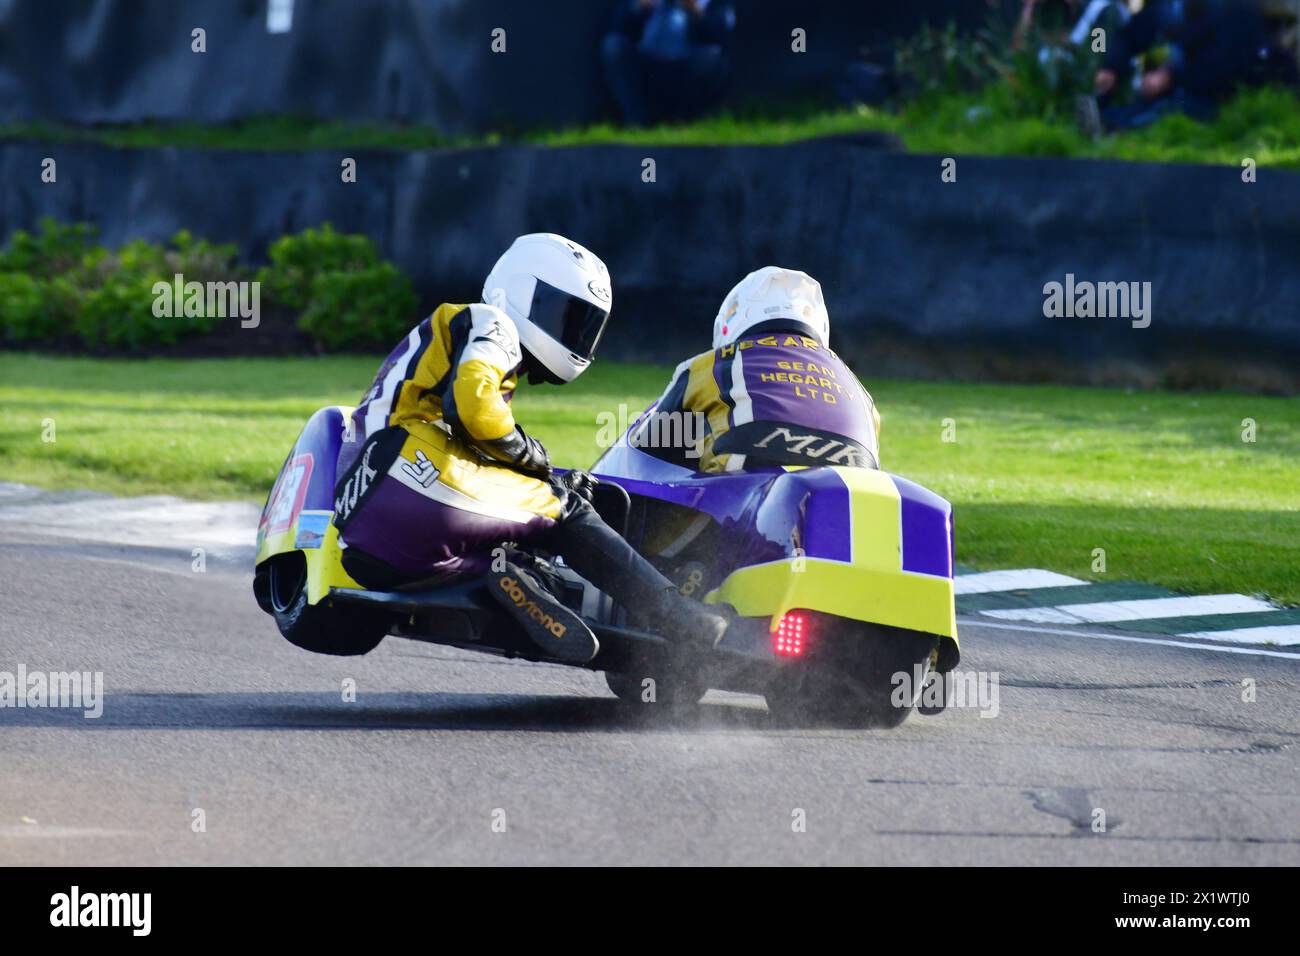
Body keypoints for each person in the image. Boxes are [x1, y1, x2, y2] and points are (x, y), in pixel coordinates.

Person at [332, 233, 728, 663]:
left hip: (368, 534)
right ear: (518, 290)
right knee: (567, 507)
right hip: (413, 472)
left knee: (507, 535)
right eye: (560, 313)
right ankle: (673, 613)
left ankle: (513, 575)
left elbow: (464, 438)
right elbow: (473, 410)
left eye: (581, 323)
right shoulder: (490, 321)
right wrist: (534, 458)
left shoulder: (436, 349)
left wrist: (535, 475)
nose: (571, 333)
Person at [637, 267, 880, 475]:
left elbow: (643, 457)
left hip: (742, 513)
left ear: (729, 323)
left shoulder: (710, 365)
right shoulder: (860, 391)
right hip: (849, 510)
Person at [1081, 0, 1268, 134]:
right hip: (1174, 91)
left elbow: (1229, 64)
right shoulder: (1168, 6)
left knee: (1149, 119)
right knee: (1125, 114)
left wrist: (1171, 76)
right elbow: (1131, 36)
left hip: (1213, 96)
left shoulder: (1235, 7)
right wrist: (1111, 67)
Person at [601, 0, 736, 126]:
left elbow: (721, 33)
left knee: (711, 58)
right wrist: (638, 7)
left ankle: (684, 122)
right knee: (613, 46)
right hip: (648, 69)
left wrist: (694, 10)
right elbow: (617, 26)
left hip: (686, 69)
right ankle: (636, 123)